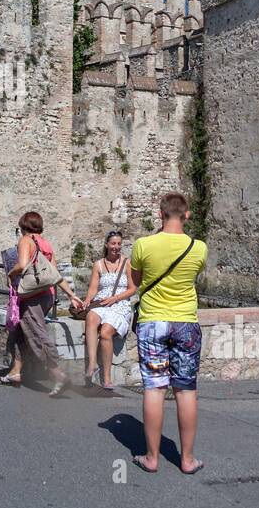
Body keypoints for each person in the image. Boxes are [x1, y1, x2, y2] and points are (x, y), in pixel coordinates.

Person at [128, 192, 209, 475]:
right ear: (186, 215)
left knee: (154, 387)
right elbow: (193, 276)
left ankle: (152, 458)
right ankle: (187, 459)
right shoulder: (199, 248)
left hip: (152, 322)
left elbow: (135, 282)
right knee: (186, 389)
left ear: (160, 214)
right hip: (186, 322)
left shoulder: (143, 245)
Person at [5, 212, 70, 397]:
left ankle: (58, 374)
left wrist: (11, 272)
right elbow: (55, 273)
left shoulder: (26, 240)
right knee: (19, 330)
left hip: (31, 295)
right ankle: (16, 371)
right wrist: (71, 294)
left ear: (23, 226)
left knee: (36, 334)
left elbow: (23, 264)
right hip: (47, 295)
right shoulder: (46, 244)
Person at [78, 230, 136, 389]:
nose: (116, 247)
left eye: (119, 244)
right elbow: (93, 288)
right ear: (106, 245)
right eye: (113, 243)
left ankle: (107, 378)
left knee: (105, 333)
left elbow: (133, 289)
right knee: (90, 318)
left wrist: (115, 298)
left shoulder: (127, 263)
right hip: (101, 302)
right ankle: (92, 364)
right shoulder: (98, 264)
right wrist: (87, 301)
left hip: (120, 303)